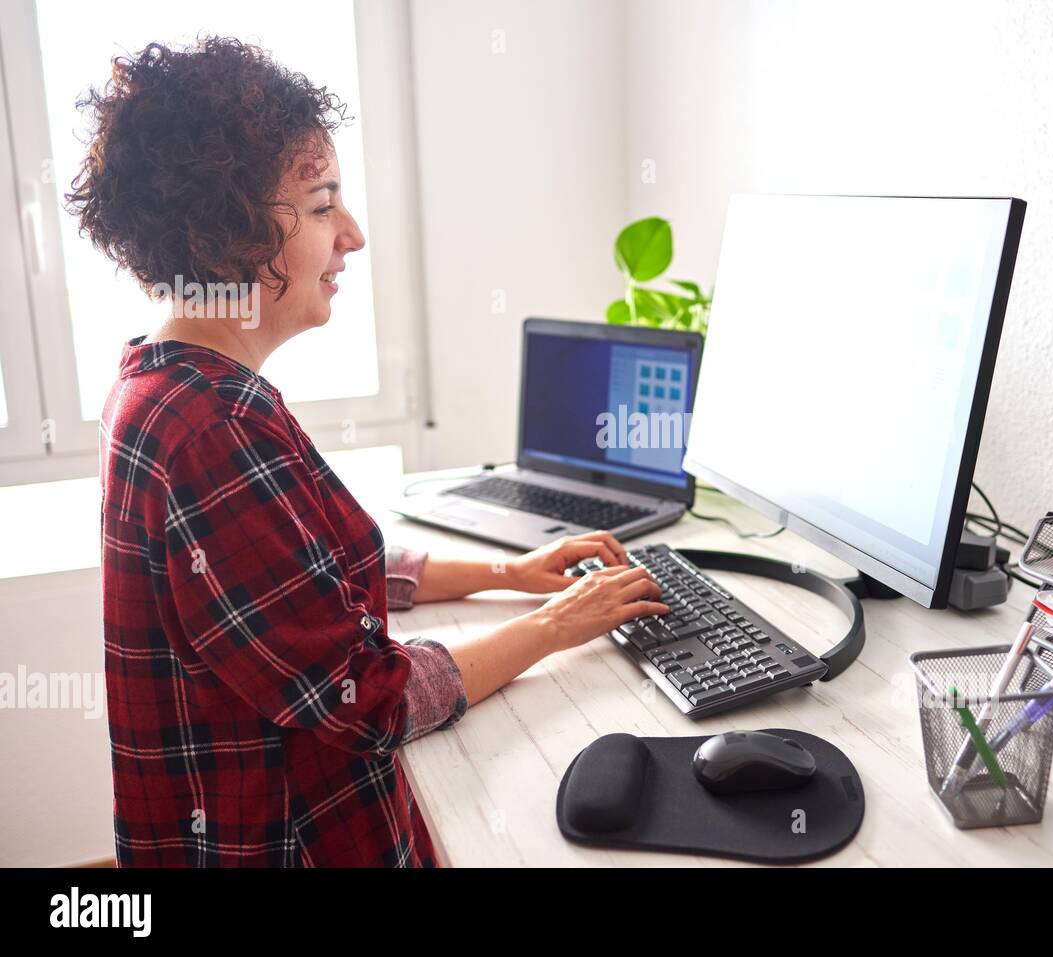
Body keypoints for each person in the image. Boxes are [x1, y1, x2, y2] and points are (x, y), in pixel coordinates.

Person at [71, 36, 668, 866]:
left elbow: (298, 584)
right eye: (321, 207)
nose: (352, 233)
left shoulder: (168, 380)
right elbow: (370, 699)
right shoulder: (210, 430)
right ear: (224, 234)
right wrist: (556, 624)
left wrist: (504, 575)